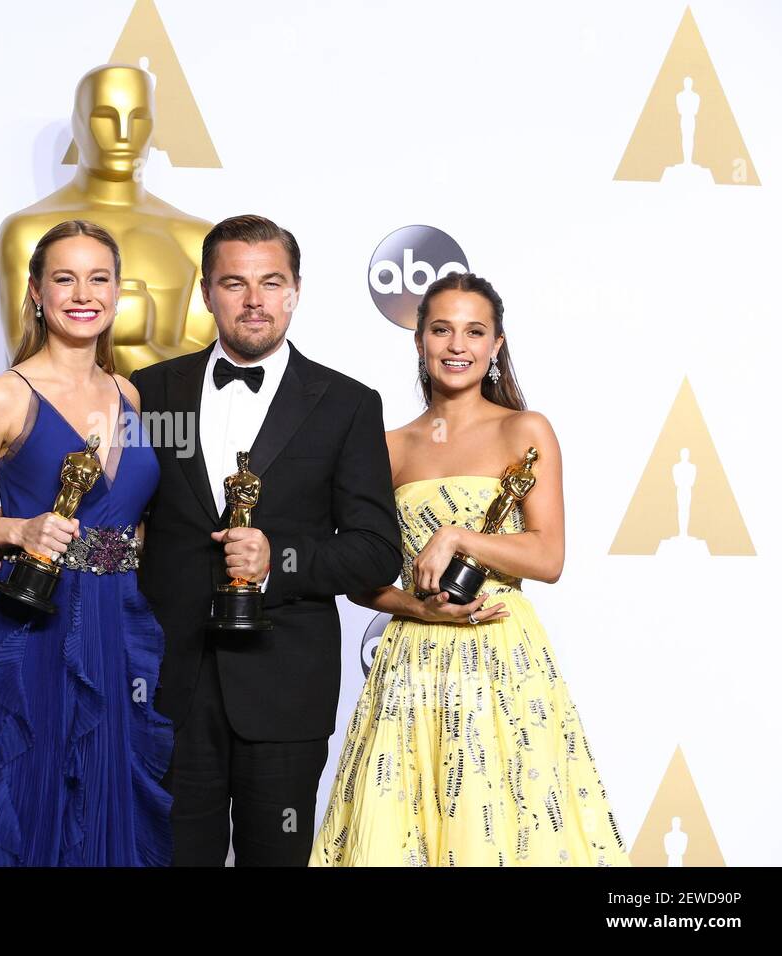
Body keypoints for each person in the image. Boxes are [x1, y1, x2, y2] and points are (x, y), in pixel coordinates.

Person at [311, 272, 629, 866]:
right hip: (411, 657)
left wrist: (458, 538)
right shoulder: (387, 446)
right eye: (441, 330)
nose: (457, 345)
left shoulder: (524, 430)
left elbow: (548, 556)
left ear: (496, 345)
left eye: (474, 331)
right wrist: (417, 606)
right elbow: (360, 577)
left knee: (500, 821)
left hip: (500, 647)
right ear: (419, 341)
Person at [131, 214, 402, 866]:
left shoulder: (346, 404)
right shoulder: (152, 393)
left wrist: (277, 560)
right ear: (205, 292)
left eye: (271, 282)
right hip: (170, 684)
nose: (254, 300)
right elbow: (128, 517)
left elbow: (375, 547)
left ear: (295, 291)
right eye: (234, 282)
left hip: (285, 690)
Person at [0, 219, 173, 866]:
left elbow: (136, 518)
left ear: (117, 293)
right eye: (64, 278)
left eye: (98, 278)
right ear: (35, 293)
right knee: (25, 796)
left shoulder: (130, 394)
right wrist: (16, 530)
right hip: (36, 623)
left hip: (121, 627)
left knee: (108, 798)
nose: (83, 294)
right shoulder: (6, 395)